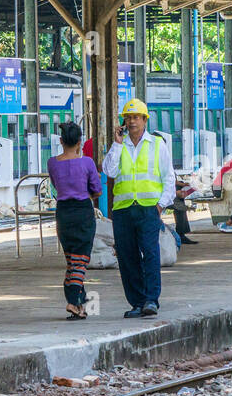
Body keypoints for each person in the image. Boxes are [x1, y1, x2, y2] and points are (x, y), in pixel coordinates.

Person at [103, 98, 176, 317]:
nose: (132, 121)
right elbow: (109, 171)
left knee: (151, 254)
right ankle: (136, 302)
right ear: (123, 121)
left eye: (136, 117)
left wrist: (161, 206)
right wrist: (116, 143)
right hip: (124, 209)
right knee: (127, 257)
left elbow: (169, 177)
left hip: (148, 209)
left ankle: (151, 300)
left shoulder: (156, 145)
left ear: (145, 120)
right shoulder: (119, 145)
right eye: (128, 117)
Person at [48, 121, 101, 319]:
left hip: (63, 213)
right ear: (79, 142)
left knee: (72, 260)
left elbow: (55, 184)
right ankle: (72, 301)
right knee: (80, 262)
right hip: (82, 213)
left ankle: (80, 305)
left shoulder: (52, 162)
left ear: (61, 141)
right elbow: (97, 190)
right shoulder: (87, 163)